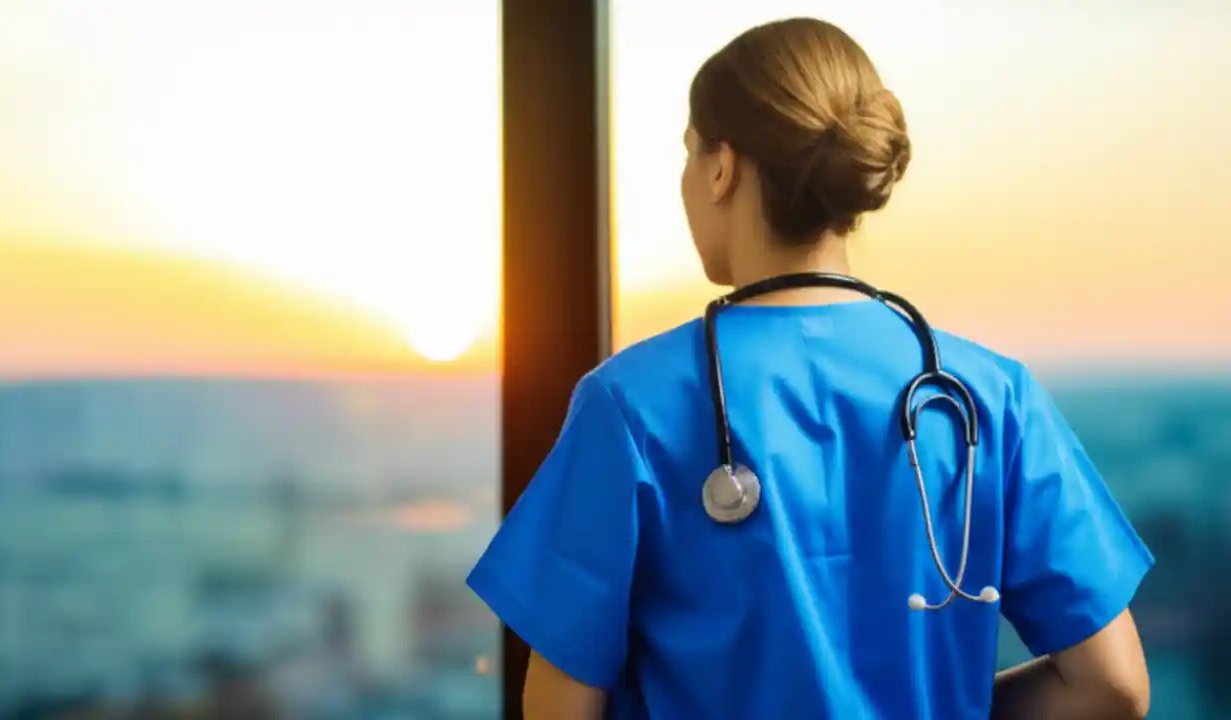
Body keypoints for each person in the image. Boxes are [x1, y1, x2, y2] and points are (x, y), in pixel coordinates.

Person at [467, 17, 1153, 719]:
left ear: (721, 168)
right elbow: (1114, 686)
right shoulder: (991, 395)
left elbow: (560, 709)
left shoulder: (632, 405)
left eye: (689, 153)